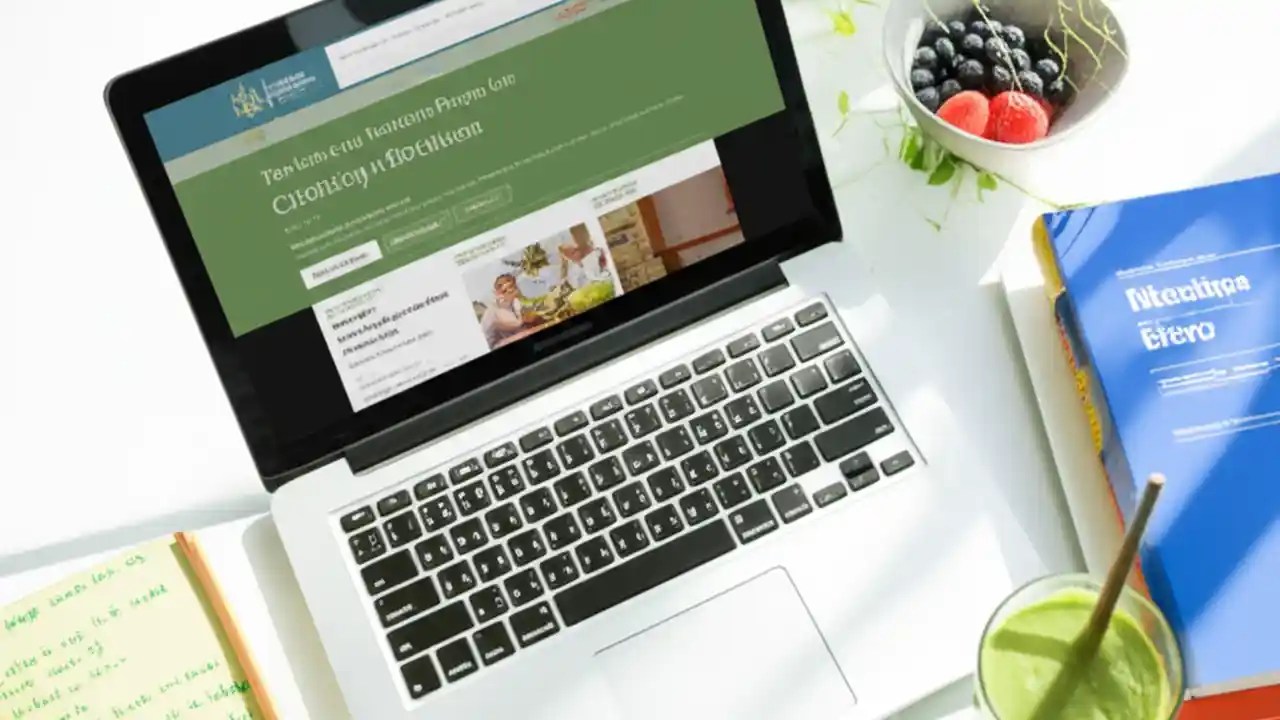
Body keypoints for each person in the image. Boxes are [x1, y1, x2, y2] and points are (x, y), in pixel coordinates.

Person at [479, 274, 527, 349]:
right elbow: (516, 324)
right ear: (498, 293)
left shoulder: (515, 302)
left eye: (513, 287)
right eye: (505, 290)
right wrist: (523, 319)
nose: (511, 290)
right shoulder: (494, 310)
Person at [560, 226, 610, 290]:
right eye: (574, 251)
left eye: (576, 248)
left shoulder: (592, 250)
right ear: (571, 259)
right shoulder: (584, 270)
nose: (578, 249)